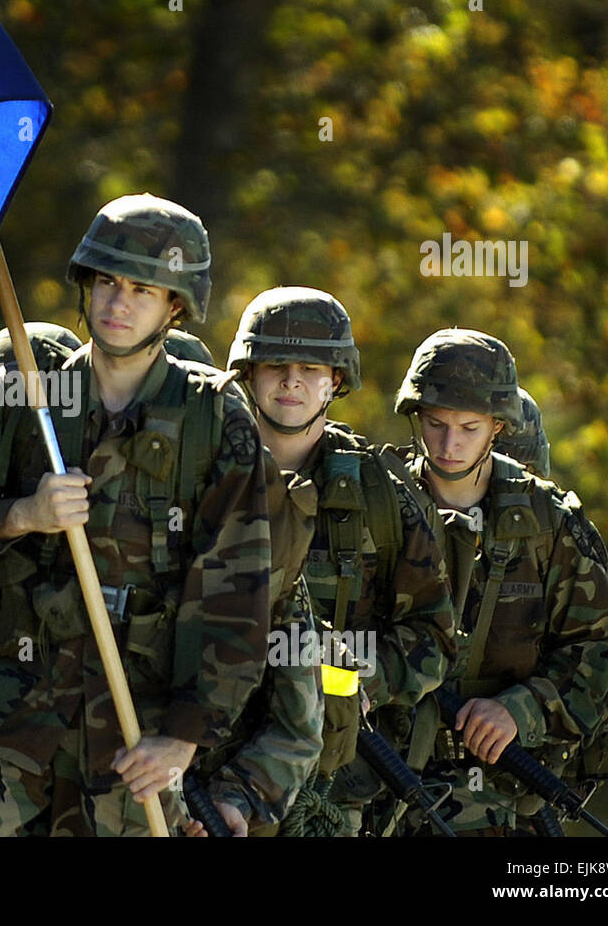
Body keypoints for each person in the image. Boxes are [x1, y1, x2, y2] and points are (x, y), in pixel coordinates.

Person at [0, 192, 274, 836]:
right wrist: (22, 514)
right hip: (3, 721)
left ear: (175, 306)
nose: (117, 303)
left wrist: (185, 740)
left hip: (132, 736)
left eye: (142, 288)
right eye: (106, 280)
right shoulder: (26, 388)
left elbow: (236, 597)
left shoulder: (215, 416)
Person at [225, 286, 455, 835]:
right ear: (247, 373)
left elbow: (433, 637)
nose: (292, 381)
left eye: (311, 367)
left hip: (328, 787)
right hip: (209, 765)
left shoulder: (380, 494)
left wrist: (354, 671)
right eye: (275, 364)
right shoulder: (204, 476)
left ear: (336, 381)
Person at [388, 328, 608, 835]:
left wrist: (520, 711)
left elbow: (605, 655)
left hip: (503, 796)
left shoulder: (547, 522)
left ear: (498, 426)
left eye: (469, 427)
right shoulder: (380, 504)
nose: (449, 445)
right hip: (380, 782)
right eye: (435, 424)